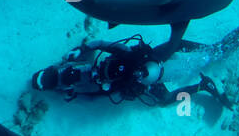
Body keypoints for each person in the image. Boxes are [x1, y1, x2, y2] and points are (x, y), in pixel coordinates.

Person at [32, 37, 225, 107]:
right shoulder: (113, 85)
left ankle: (212, 50)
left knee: (175, 44)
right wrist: (77, 94)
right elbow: (95, 97)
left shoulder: (125, 57)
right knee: (164, 98)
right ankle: (201, 84)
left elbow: (99, 43)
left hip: (146, 64)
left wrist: (82, 49)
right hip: (144, 79)